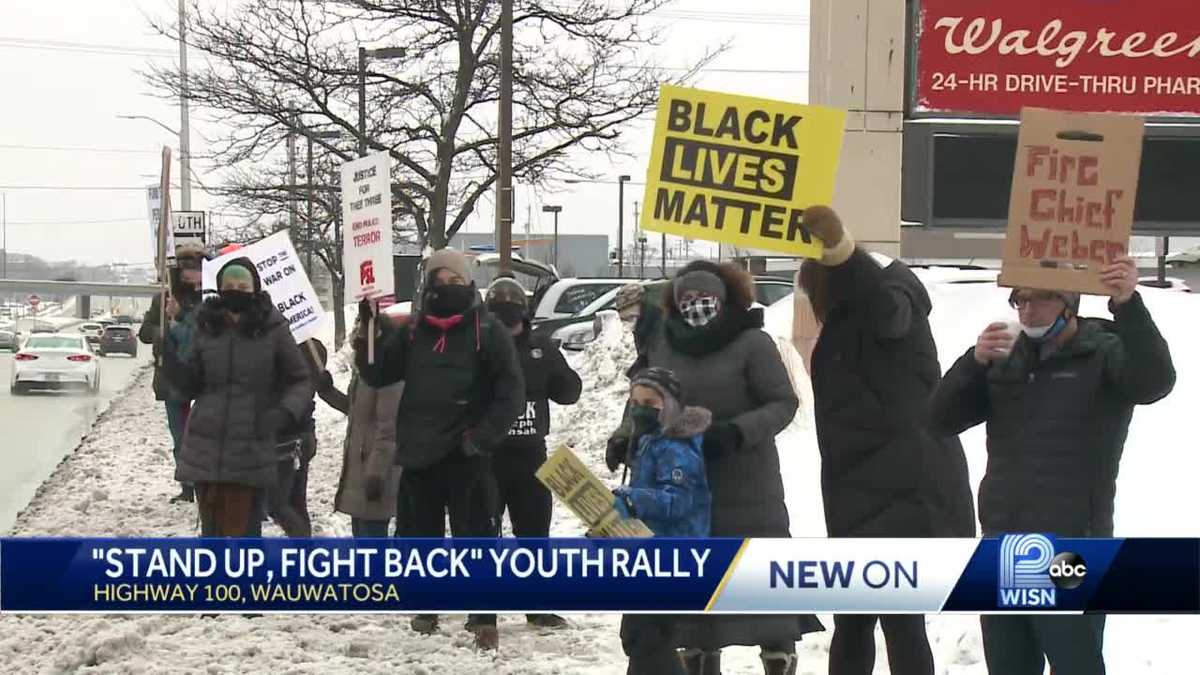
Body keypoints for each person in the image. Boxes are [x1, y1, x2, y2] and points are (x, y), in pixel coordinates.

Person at [930, 256, 1174, 675]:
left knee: (1075, 662)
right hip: (1004, 542)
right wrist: (973, 364)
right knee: (1008, 664)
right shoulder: (1006, 356)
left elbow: (1155, 382)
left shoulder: (1104, 353)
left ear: (1068, 304)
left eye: (1040, 299)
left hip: (1073, 542)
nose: (1027, 310)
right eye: (1020, 301)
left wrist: (1128, 304)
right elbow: (940, 420)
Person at [609, 259, 823, 675]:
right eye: (687, 298)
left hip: (747, 483)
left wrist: (737, 432)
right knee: (694, 591)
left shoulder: (752, 343)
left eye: (705, 297)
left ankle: (778, 657)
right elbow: (644, 398)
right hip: (682, 485)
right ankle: (699, 660)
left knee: (760, 583)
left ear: (725, 298)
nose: (696, 305)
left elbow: (783, 403)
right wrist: (625, 435)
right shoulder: (664, 345)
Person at [795, 206, 976, 675]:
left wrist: (842, 252)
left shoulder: (894, 304)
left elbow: (886, 312)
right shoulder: (850, 321)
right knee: (856, 621)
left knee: (897, 620)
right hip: (861, 492)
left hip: (904, 491)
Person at [354, 248, 525, 651]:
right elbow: (378, 373)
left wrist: (481, 437)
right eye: (439, 281)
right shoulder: (414, 331)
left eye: (455, 280)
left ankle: (483, 616)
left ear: (468, 284)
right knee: (420, 537)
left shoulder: (489, 331)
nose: (446, 287)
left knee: (476, 538)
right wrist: (370, 333)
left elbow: (510, 393)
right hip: (420, 451)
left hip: (468, 454)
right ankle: (425, 607)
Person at [164, 257, 315, 537]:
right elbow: (190, 385)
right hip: (206, 446)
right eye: (229, 285)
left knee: (243, 536)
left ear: (255, 289)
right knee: (212, 537)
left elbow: (301, 379)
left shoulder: (272, 327)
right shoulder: (206, 326)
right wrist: (171, 363)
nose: (236, 290)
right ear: (219, 289)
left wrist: (283, 413)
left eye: (243, 286)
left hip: (251, 446)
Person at [483, 277, 583, 629]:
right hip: (486, 457)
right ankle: (482, 609)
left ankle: (537, 605)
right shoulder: (478, 346)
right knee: (483, 534)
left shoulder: (540, 347)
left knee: (534, 534)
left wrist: (549, 371)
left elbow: (569, 392)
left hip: (529, 457)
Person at [615, 367, 712, 675]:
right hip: (649, 554)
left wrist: (634, 499)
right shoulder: (649, 441)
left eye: (649, 403)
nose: (639, 410)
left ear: (669, 404)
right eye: (634, 403)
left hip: (675, 556)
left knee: (648, 638)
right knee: (638, 636)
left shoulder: (677, 447)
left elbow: (679, 501)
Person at [139, 241, 208, 504]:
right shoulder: (164, 297)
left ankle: (205, 482)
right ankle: (187, 485)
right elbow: (145, 334)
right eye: (185, 265)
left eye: (196, 265)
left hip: (204, 378)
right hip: (172, 379)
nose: (190, 271)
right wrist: (164, 328)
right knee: (180, 436)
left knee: (202, 435)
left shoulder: (211, 299)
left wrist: (181, 319)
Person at [328, 317, 404, 538]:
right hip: (360, 468)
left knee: (371, 543)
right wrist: (327, 391)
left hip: (376, 471)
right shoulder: (365, 370)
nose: (357, 333)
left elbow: (389, 430)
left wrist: (376, 473)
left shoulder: (389, 372)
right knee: (363, 541)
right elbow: (357, 413)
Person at [266, 338, 341, 537]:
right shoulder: (309, 348)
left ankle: (303, 544)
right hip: (301, 436)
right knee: (295, 502)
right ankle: (304, 547)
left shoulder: (303, 349)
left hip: (289, 438)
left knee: (277, 503)